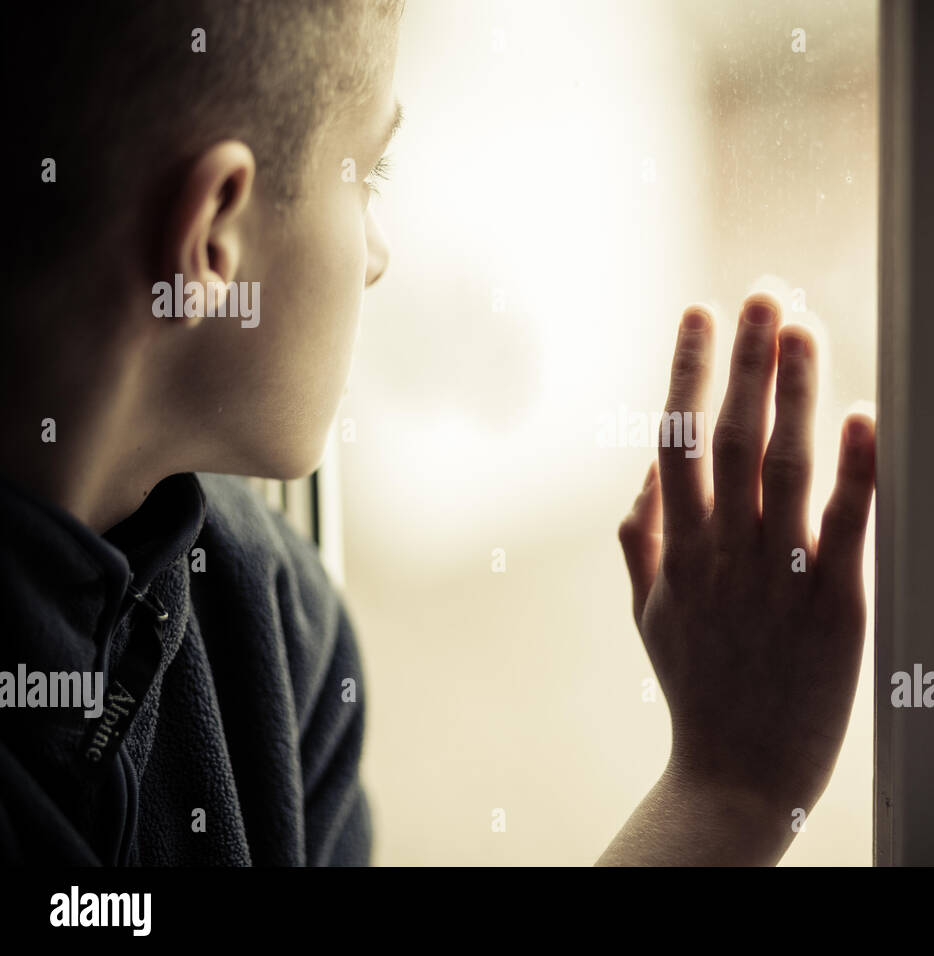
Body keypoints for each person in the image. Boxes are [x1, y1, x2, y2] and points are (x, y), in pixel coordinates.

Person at [1, 0, 875, 867]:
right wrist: (730, 793)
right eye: (368, 180)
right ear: (213, 240)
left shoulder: (271, 613)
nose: (378, 256)